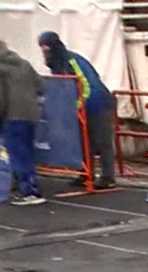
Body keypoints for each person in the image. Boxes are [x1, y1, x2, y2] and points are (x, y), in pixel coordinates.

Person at [37, 32, 116, 189]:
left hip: (99, 103)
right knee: (83, 142)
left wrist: (76, 105)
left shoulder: (72, 61)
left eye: (47, 48)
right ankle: (86, 173)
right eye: (43, 49)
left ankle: (108, 177)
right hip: (82, 106)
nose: (45, 52)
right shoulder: (57, 64)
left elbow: (87, 84)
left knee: (102, 141)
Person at [0, 41, 46, 205]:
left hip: (12, 115)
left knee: (17, 156)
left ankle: (28, 192)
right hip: (31, 114)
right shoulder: (24, 64)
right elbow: (40, 85)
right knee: (27, 154)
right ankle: (30, 188)